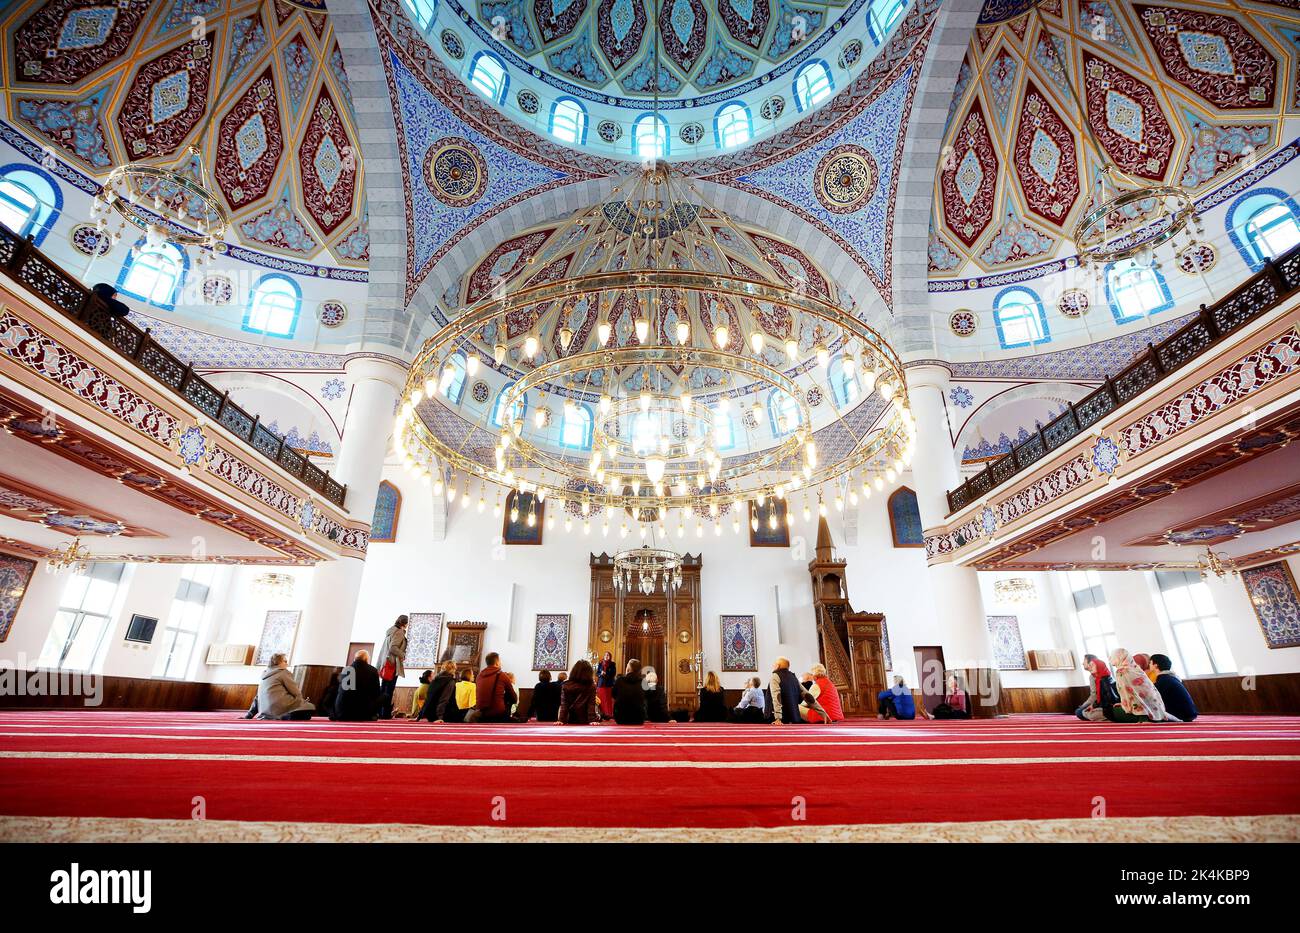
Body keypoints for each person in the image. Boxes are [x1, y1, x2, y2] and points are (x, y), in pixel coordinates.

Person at [1107, 649, 1179, 723]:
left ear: (1119, 657)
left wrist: (1125, 705)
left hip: (1142, 713)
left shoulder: (1121, 671)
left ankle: (1144, 718)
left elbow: (1129, 694)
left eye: (1112, 656)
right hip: (1156, 710)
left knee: (1111, 712)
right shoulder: (1137, 669)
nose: (1110, 658)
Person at [255, 653, 315, 720]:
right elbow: (296, 692)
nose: (287, 664)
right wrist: (302, 702)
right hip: (281, 708)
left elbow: (257, 698)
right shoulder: (283, 672)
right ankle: (283, 716)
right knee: (310, 706)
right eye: (285, 661)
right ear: (278, 662)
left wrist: (249, 715)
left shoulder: (264, 675)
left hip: (265, 712)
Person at [769, 657, 827, 725]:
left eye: (774, 664)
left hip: (779, 717)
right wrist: (824, 714)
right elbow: (808, 696)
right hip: (793, 717)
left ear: (777, 666)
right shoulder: (793, 677)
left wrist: (778, 718)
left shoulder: (775, 676)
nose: (773, 665)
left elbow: (776, 697)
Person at [333, 649, 381, 721]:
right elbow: (376, 692)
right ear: (367, 659)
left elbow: (340, 690)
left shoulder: (345, 669)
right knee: (385, 696)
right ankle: (376, 715)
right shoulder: (372, 670)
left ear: (355, 658)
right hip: (360, 713)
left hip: (341, 713)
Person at [376, 615, 408, 719]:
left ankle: (379, 712)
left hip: (386, 662)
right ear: (405, 623)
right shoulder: (399, 632)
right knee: (389, 689)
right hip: (392, 664)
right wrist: (402, 654)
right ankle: (385, 713)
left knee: (384, 688)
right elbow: (393, 648)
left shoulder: (390, 631)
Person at [1149, 654, 1199, 722]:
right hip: (1190, 714)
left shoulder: (1164, 680)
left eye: (1150, 663)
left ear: (1155, 665)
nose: (1149, 665)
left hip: (1182, 715)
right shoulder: (1170, 678)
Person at [466, 652, 511, 723]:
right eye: (500, 661)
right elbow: (513, 696)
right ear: (497, 663)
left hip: (482, 712)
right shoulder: (502, 675)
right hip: (498, 712)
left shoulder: (479, 676)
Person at [1076, 654, 1119, 722]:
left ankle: (1108, 718)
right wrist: (1093, 705)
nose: (1090, 667)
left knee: (1081, 712)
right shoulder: (1099, 679)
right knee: (1084, 712)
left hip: (1109, 707)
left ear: (1098, 666)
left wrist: (1095, 706)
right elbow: (1100, 696)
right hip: (1103, 704)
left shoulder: (1103, 680)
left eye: (1092, 665)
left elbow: (1107, 699)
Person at [557, 659, 600, 725]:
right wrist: (592, 720)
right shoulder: (591, 686)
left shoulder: (565, 685)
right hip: (585, 719)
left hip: (570, 719)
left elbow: (564, 705)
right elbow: (591, 705)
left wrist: (561, 720)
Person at [612, 658, 647, 725]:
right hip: (638, 718)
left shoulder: (619, 680)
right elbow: (646, 698)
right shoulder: (643, 683)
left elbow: (613, 695)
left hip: (620, 718)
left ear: (627, 669)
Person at [595, 651, 616, 721]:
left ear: (610, 657)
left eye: (608, 655)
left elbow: (613, 674)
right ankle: (601, 713)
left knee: (607, 700)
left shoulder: (612, 664)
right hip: (600, 684)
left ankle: (609, 714)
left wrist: (606, 674)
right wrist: (600, 674)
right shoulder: (600, 663)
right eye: (605, 655)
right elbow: (597, 673)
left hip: (608, 684)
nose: (606, 656)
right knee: (600, 700)